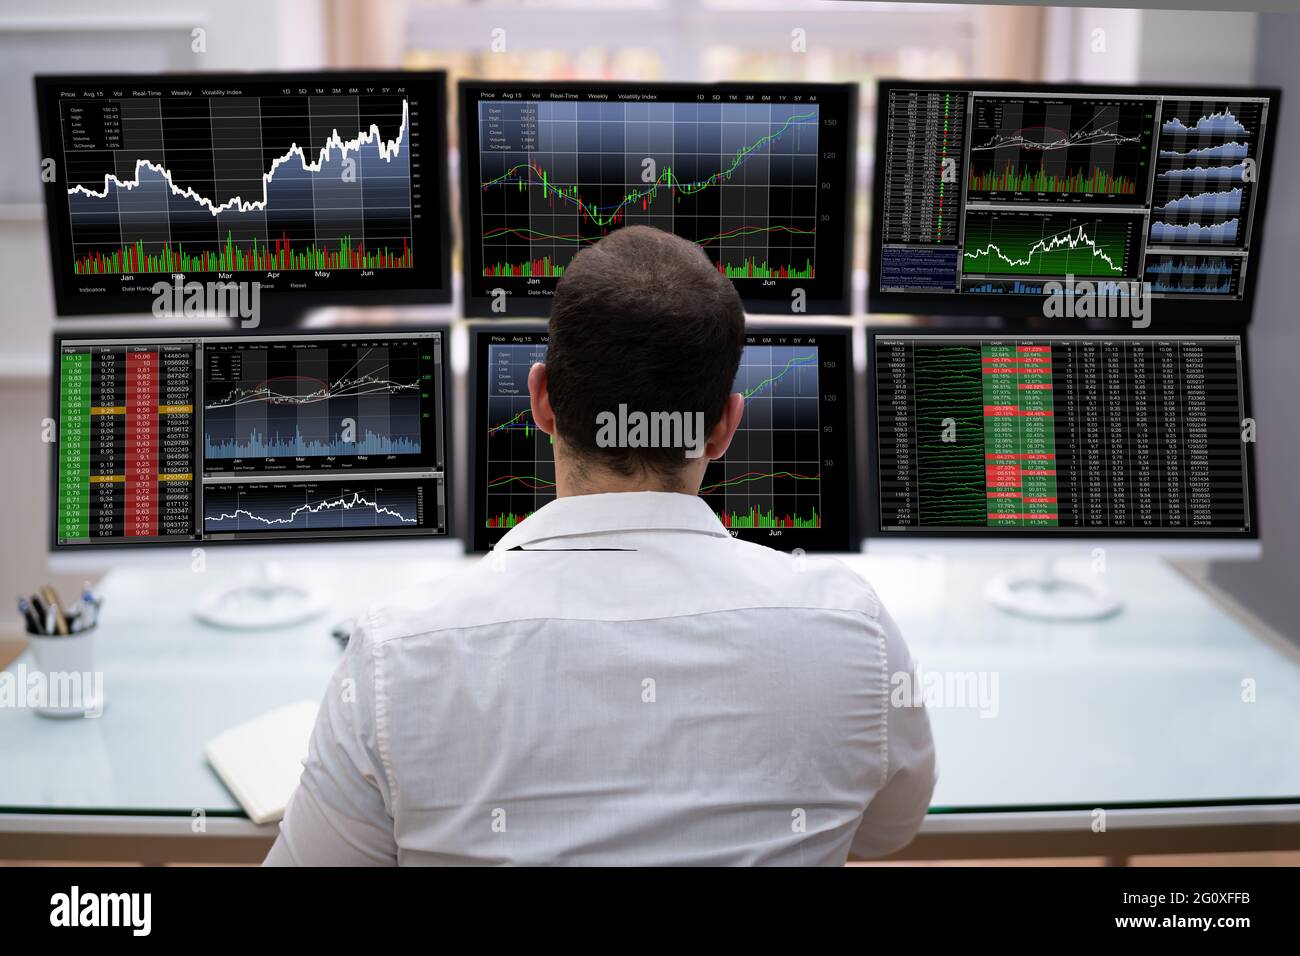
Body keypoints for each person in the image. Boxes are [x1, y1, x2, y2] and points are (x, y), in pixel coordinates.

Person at [266, 225, 936, 866]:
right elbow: (888, 833)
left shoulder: (394, 656)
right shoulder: (855, 630)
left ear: (542, 402)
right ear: (724, 427)